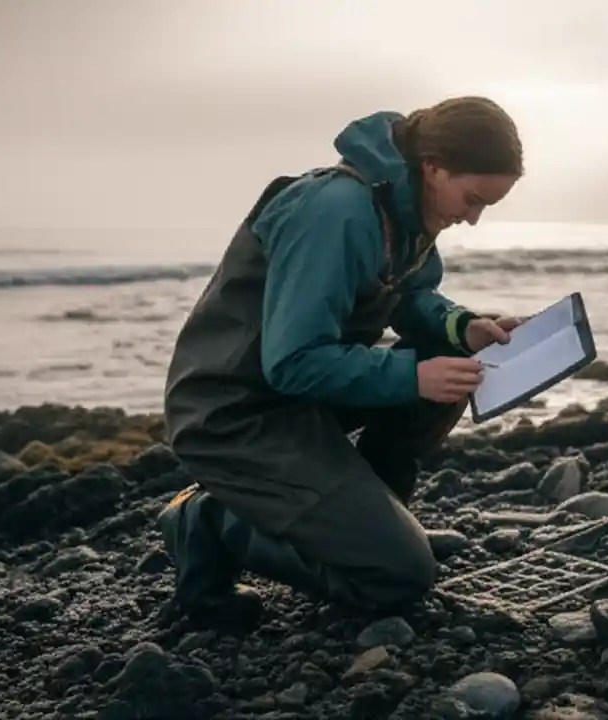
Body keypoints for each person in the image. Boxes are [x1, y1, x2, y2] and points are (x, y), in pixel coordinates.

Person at [157, 96, 525, 624]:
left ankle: (376, 519)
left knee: (448, 351)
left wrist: (463, 326)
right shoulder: (335, 211)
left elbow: (410, 296)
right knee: (398, 578)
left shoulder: (405, 212)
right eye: (471, 199)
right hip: (235, 416)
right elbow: (293, 361)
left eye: (485, 206)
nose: (472, 219)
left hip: (298, 402)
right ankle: (208, 520)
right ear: (432, 166)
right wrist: (411, 376)